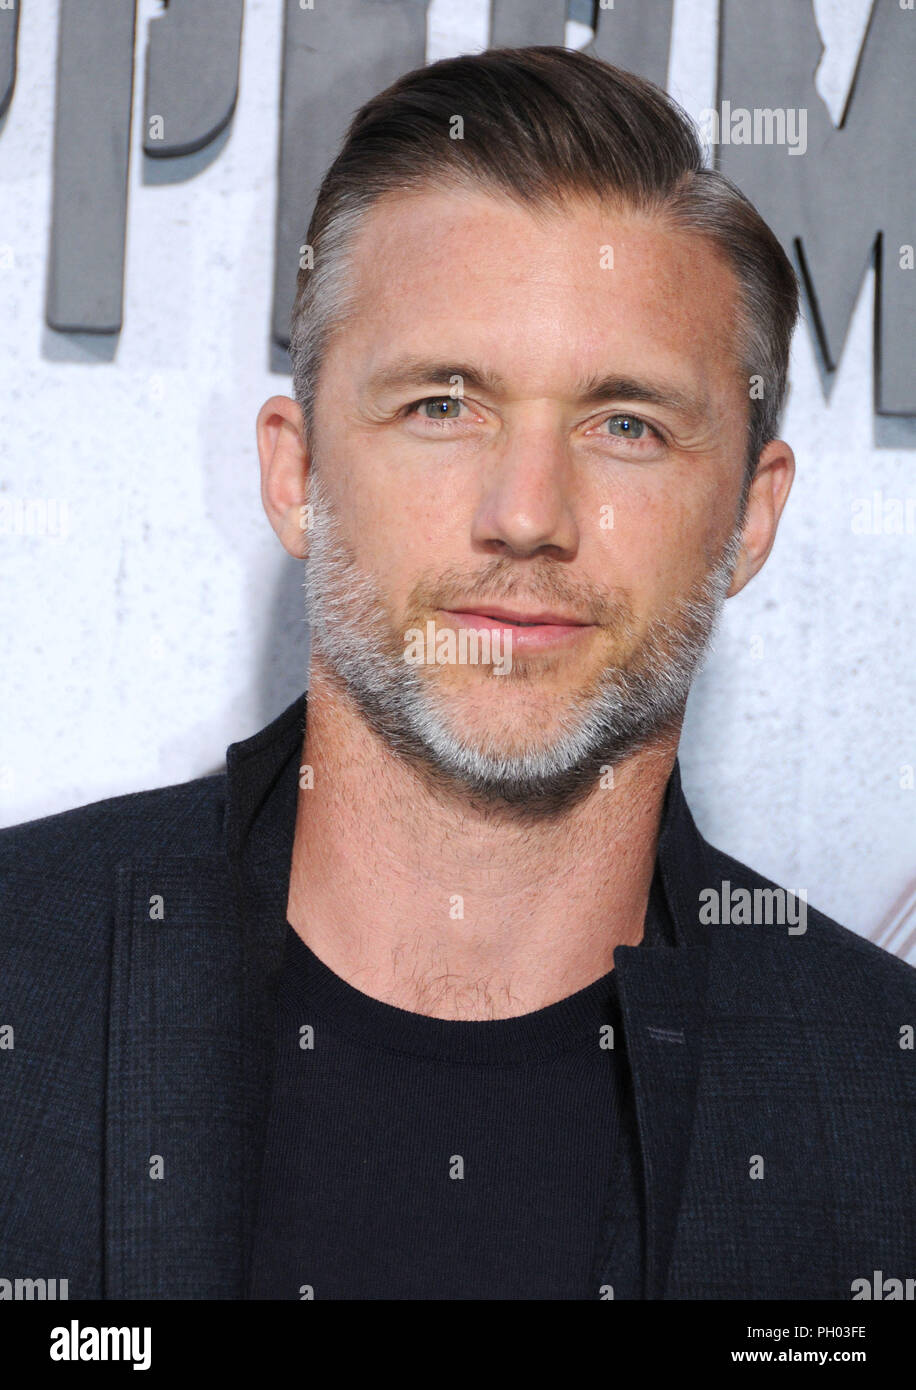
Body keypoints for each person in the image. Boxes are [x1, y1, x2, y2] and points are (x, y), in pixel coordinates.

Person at [1, 46, 913, 1302]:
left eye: (627, 424)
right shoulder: (21, 973)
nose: (526, 514)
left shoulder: (886, 1104)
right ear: (296, 473)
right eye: (442, 404)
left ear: (749, 520)